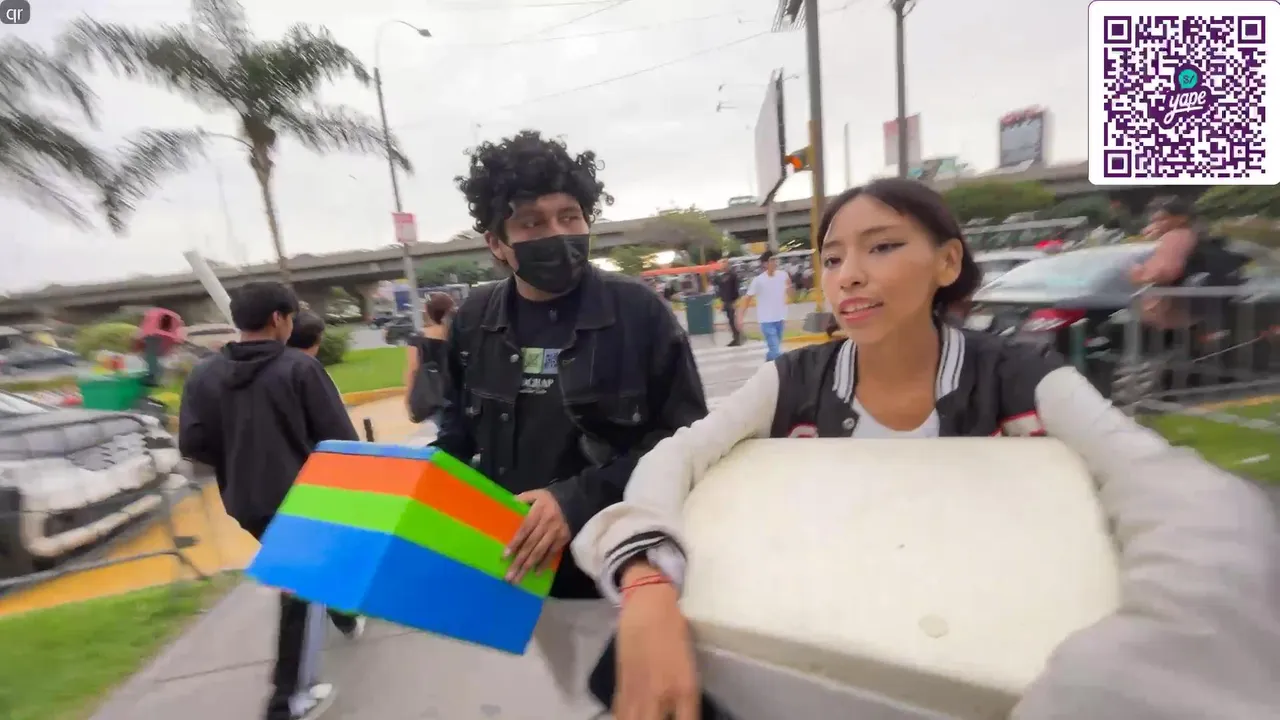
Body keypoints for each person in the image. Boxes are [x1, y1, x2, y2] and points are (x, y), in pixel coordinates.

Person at [570, 179, 1280, 720]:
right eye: (832, 257)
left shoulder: (1020, 377)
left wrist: (1130, 671)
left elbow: (1169, 486)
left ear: (947, 262)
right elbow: (679, 455)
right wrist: (647, 585)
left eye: (882, 247)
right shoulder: (792, 380)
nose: (848, 275)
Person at [437, 129, 709, 708]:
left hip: (626, 571)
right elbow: (456, 437)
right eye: (532, 223)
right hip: (529, 575)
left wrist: (574, 499)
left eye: (569, 216)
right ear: (497, 242)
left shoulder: (638, 312)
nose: (557, 234)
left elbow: (687, 439)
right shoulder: (474, 321)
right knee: (579, 697)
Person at [178, 282, 365, 720]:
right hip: (305, 496)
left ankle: (342, 614)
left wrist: (238, 458)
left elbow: (194, 444)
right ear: (279, 319)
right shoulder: (299, 368)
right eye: (291, 317)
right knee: (298, 587)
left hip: (246, 500)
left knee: (306, 571)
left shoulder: (203, 375)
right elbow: (341, 441)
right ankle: (288, 701)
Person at [404, 291, 456, 426]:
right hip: (456, 393)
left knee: (442, 430)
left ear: (427, 311)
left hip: (432, 395)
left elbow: (413, 369)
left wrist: (408, 399)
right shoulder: (456, 334)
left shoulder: (417, 338)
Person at [742, 249, 792, 361]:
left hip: (780, 318)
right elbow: (747, 298)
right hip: (766, 320)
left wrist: (790, 287)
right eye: (771, 260)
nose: (775, 262)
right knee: (776, 351)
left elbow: (791, 294)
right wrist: (740, 316)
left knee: (774, 349)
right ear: (765, 264)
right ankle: (779, 370)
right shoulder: (758, 280)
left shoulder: (783, 275)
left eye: (775, 260)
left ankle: (768, 362)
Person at [715, 266, 743, 347]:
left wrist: (734, 300)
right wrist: (722, 302)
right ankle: (736, 337)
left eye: (724, 264)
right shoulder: (722, 276)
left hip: (731, 301)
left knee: (732, 320)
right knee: (730, 320)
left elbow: (735, 288)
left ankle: (737, 338)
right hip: (726, 301)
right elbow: (721, 288)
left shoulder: (732, 276)